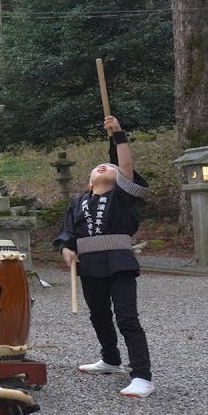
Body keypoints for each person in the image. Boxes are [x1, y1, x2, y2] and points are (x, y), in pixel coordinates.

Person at [54, 116, 154, 399]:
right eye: (98, 168)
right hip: (90, 264)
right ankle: (110, 359)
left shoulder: (122, 197)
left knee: (126, 317)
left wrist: (119, 135)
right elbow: (67, 232)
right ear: (89, 182)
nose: (104, 167)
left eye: (110, 167)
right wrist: (66, 248)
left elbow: (125, 166)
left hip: (119, 261)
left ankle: (143, 376)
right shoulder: (78, 202)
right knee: (98, 315)